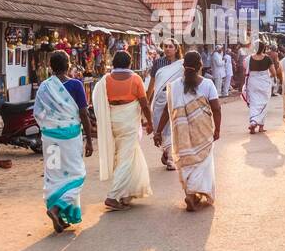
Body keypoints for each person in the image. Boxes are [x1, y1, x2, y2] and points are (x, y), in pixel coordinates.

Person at [155, 50, 222, 211]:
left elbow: (166, 111)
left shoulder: (174, 86)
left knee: (187, 161)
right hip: (203, 131)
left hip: (181, 133)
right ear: (200, 66)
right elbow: (216, 109)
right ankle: (193, 194)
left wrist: (158, 131)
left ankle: (191, 193)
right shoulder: (207, 84)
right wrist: (217, 129)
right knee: (202, 162)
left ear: (183, 67)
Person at [35, 50, 95, 231]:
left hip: (50, 138)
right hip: (70, 137)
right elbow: (84, 113)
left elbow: (38, 113)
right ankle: (56, 208)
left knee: (54, 175)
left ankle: (61, 216)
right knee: (77, 174)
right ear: (68, 65)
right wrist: (90, 140)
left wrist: (51, 125)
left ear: (51, 67)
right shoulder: (76, 85)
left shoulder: (44, 87)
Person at [94, 50, 153, 210]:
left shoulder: (105, 80)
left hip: (112, 121)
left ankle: (126, 193)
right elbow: (144, 104)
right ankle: (113, 196)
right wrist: (150, 122)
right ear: (129, 63)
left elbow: (97, 101)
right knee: (125, 159)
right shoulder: (135, 79)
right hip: (128, 124)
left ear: (114, 63)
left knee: (122, 156)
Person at [148, 40, 184, 169]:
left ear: (176, 49)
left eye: (171, 46)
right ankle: (166, 151)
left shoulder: (182, 64)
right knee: (160, 127)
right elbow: (152, 83)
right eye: (165, 46)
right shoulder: (158, 63)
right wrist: (147, 102)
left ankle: (170, 158)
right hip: (160, 98)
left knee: (173, 127)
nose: (168, 49)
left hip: (176, 98)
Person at [243, 41, 276, 132]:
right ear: (263, 48)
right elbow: (273, 73)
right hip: (264, 83)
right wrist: (265, 77)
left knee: (254, 103)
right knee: (264, 103)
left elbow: (245, 70)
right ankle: (260, 126)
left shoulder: (248, 58)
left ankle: (253, 122)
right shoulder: (267, 58)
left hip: (252, 82)